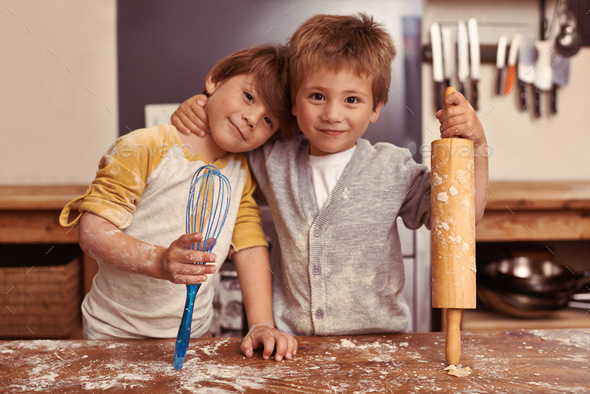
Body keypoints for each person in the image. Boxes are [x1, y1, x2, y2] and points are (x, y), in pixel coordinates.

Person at [172, 14, 489, 336]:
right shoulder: (272, 155)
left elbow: (464, 216)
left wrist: (477, 146)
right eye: (317, 96)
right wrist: (197, 105)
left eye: (352, 100)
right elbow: (227, 128)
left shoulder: (393, 168)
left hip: (380, 345)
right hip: (293, 346)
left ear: (376, 107)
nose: (332, 115)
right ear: (294, 100)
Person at [59, 44, 298, 361]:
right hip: (113, 334)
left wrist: (262, 324)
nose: (253, 118)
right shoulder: (143, 147)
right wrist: (159, 261)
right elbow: (92, 231)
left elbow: (250, 248)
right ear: (214, 81)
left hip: (196, 334)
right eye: (249, 97)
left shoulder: (240, 174)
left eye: (269, 121)